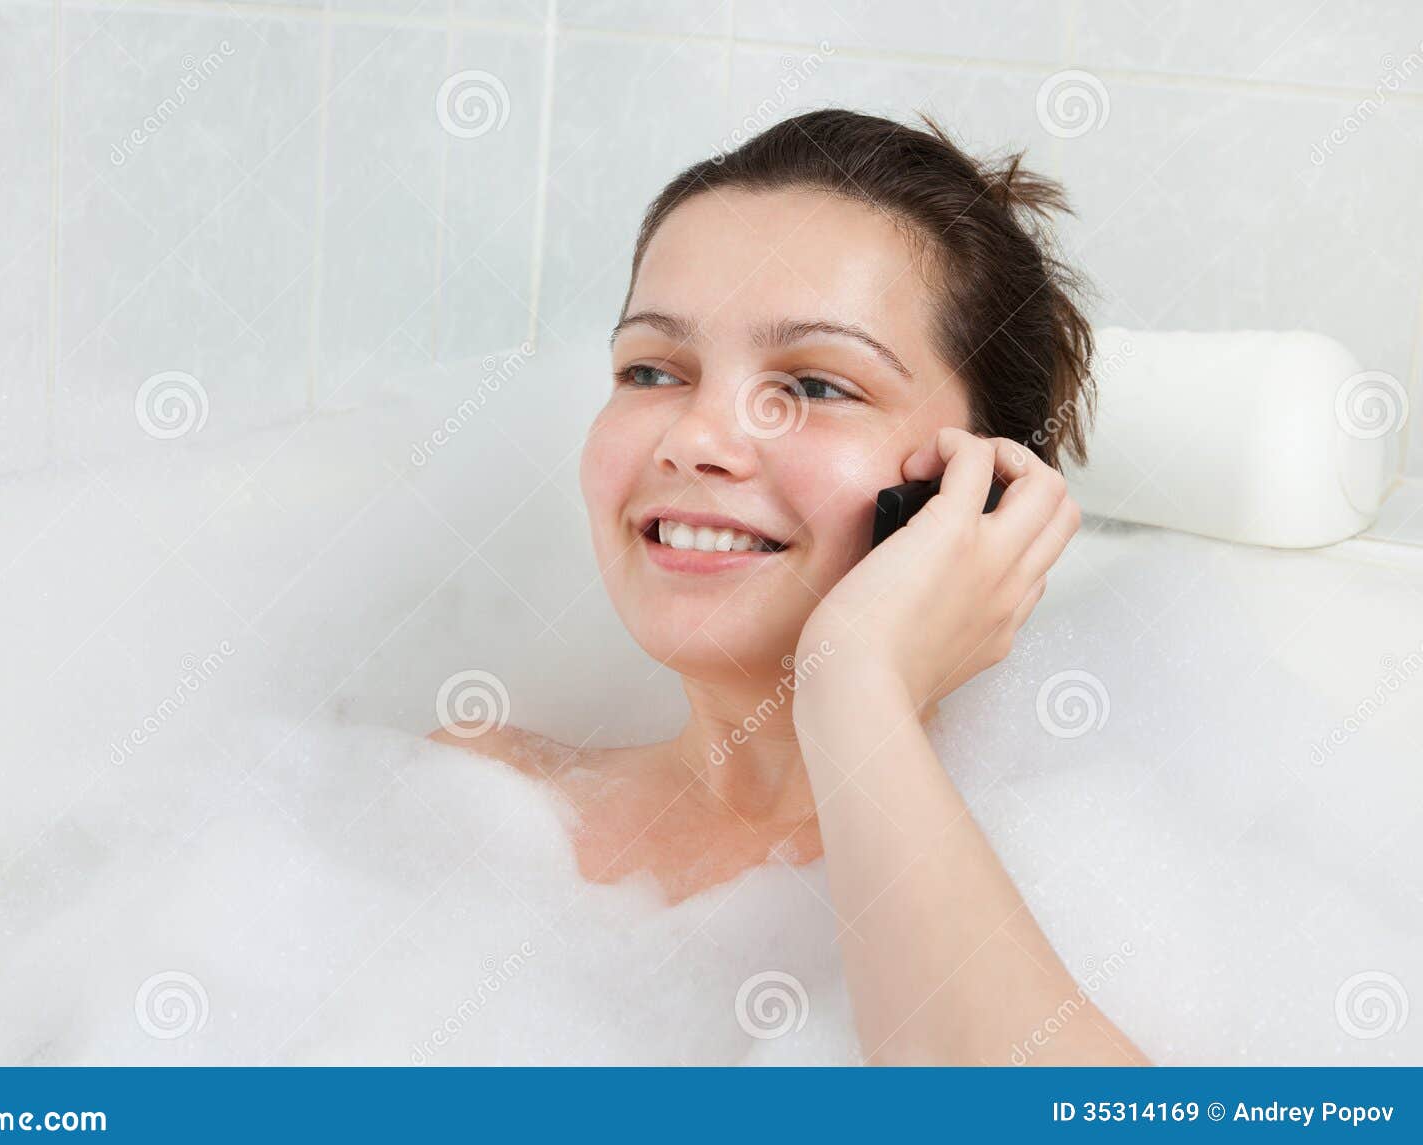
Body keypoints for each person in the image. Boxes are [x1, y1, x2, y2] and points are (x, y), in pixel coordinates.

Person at [431, 108, 1146, 1065]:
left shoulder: (1087, 878)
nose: (692, 438)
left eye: (813, 384)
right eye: (651, 368)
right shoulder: (475, 801)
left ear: (980, 483)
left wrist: (852, 684)